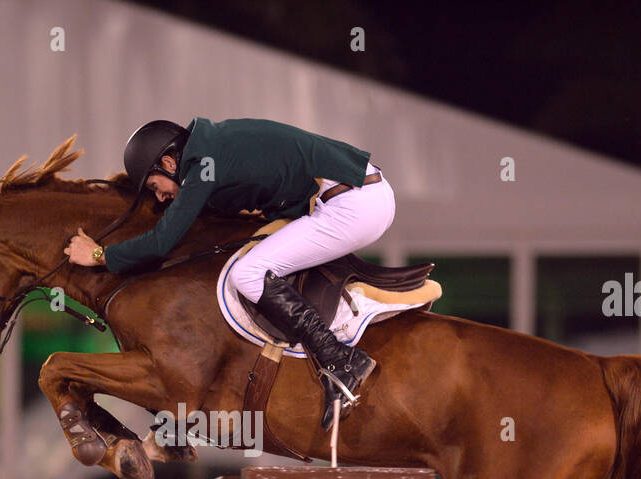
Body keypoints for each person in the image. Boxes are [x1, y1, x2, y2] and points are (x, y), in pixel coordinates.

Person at [64, 118, 395, 428]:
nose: (161, 196)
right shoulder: (209, 152)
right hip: (348, 196)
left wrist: (98, 255)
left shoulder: (203, 164)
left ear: (168, 163)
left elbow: (161, 242)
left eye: (155, 185)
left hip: (354, 204)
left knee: (248, 273)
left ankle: (341, 360)